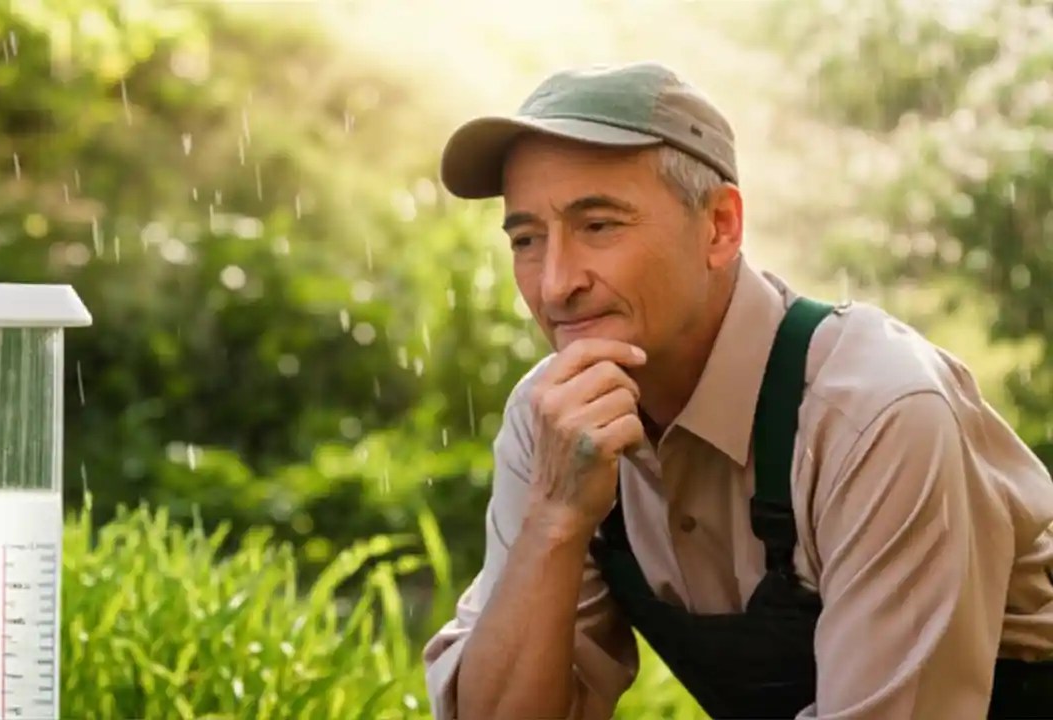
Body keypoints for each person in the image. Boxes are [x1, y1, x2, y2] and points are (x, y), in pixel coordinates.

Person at [422, 61, 1053, 720]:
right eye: (526, 239)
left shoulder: (878, 416)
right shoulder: (550, 425)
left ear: (720, 226)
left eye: (599, 225)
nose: (554, 285)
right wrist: (554, 519)